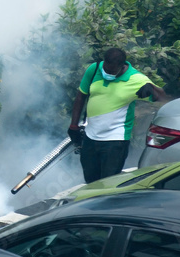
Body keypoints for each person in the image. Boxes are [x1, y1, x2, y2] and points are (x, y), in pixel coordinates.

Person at [67, 48, 168, 184]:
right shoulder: (95, 69)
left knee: (109, 183)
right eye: (105, 69)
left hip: (115, 140)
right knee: (90, 182)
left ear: (122, 66)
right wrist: (73, 125)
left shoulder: (136, 79)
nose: (107, 73)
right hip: (90, 137)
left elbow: (163, 98)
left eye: (111, 72)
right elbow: (81, 96)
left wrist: (151, 88)